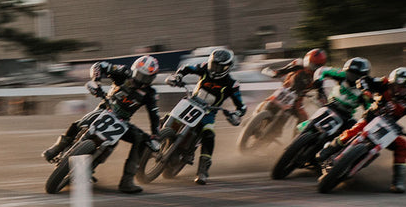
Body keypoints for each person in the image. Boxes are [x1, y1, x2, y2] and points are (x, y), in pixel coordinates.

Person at [41, 55, 162, 194]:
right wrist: (96, 82)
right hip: (105, 108)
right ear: (134, 70)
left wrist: (155, 135)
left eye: (146, 77)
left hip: (123, 121)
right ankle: (57, 148)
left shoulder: (150, 93)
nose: (142, 80)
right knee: (79, 123)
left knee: (141, 140)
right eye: (140, 75)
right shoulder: (122, 72)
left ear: (152, 78)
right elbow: (99, 66)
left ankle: (127, 181)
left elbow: (154, 114)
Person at [319, 66, 406, 193]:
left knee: (403, 146)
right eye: (397, 86)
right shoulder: (383, 83)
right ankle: (330, 148)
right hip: (371, 118)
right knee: (353, 131)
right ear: (391, 83)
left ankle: (398, 181)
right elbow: (364, 80)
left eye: (404, 88)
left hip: (389, 129)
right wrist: (366, 90)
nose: (399, 90)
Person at [166, 47, 246, 185]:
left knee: (209, 134)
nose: (214, 68)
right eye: (213, 64)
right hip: (191, 102)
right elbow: (186, 68)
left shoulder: (232, 84)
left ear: (227, 67)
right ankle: (160, 141)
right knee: (167, 117)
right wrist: (178, 76)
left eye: (218, 66)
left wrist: (236, 114)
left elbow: (241, 106)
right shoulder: (204, 68)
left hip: (209, 112)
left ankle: (202, 170)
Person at [261, 48, 330, 121]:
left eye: (314, 66)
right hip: (285, 90)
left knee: (303, 119)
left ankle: (297, 132)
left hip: (297, 99)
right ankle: (257, 114)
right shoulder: (298, 63)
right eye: (310, 63)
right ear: (307, 60)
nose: (311, 67)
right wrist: (272, 73)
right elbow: (282, 71)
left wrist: (324, 104)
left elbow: (321, 93)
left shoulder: (318, 76)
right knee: (268, 102)